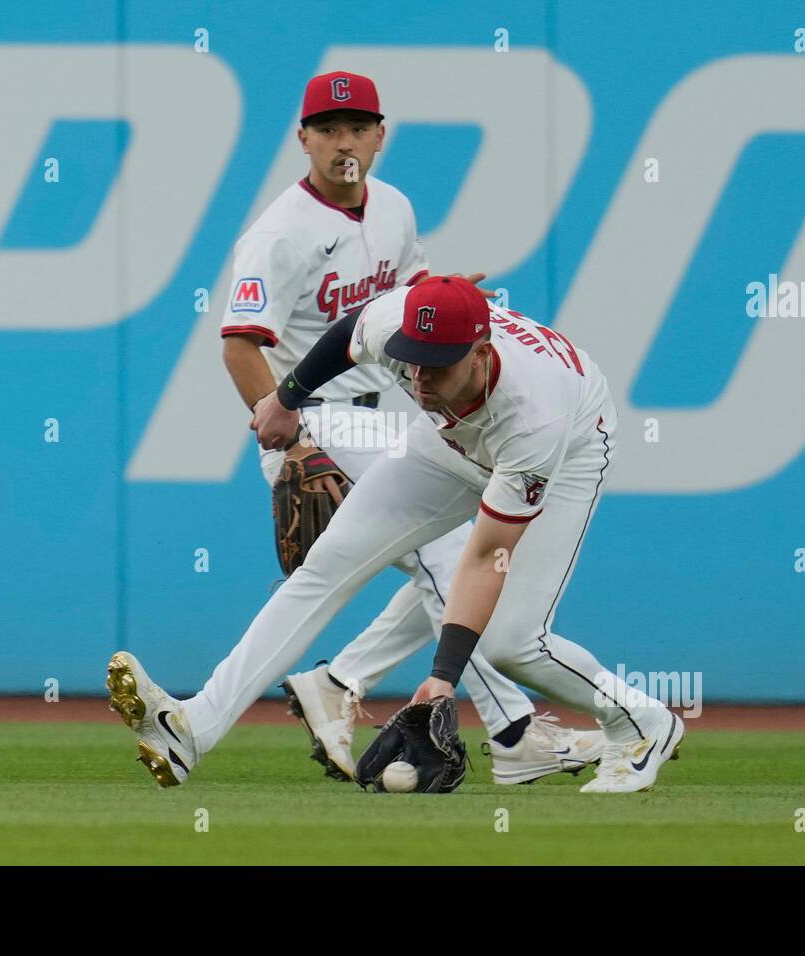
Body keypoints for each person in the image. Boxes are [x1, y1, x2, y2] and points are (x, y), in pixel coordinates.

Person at [109, 276, 683, 793]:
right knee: (330, 560)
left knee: (512, 644)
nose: (418, 376)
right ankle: (193, 726)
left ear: (481, 354)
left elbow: (487, 555)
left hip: (571, 451)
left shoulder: (536, 418)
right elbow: (345, 336)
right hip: (449, 437)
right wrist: (285, 398)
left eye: (436, 365)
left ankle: (640, 721)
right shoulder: (398, 325)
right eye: (412, 360)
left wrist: (441, 679)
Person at [218, 70, 601, 783]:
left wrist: (450, 299)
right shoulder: (279, 233)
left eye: (358, 126)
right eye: (328, 129)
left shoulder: (392, 207)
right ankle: (514, 728)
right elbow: (241, 341)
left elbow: (412, 299)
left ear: (380, 135)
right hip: (316, 422)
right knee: (455, 559)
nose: (344, 141)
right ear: (302, 138)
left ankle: (336, 681)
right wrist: (294, 434)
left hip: (383, 417)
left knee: (453, 567)